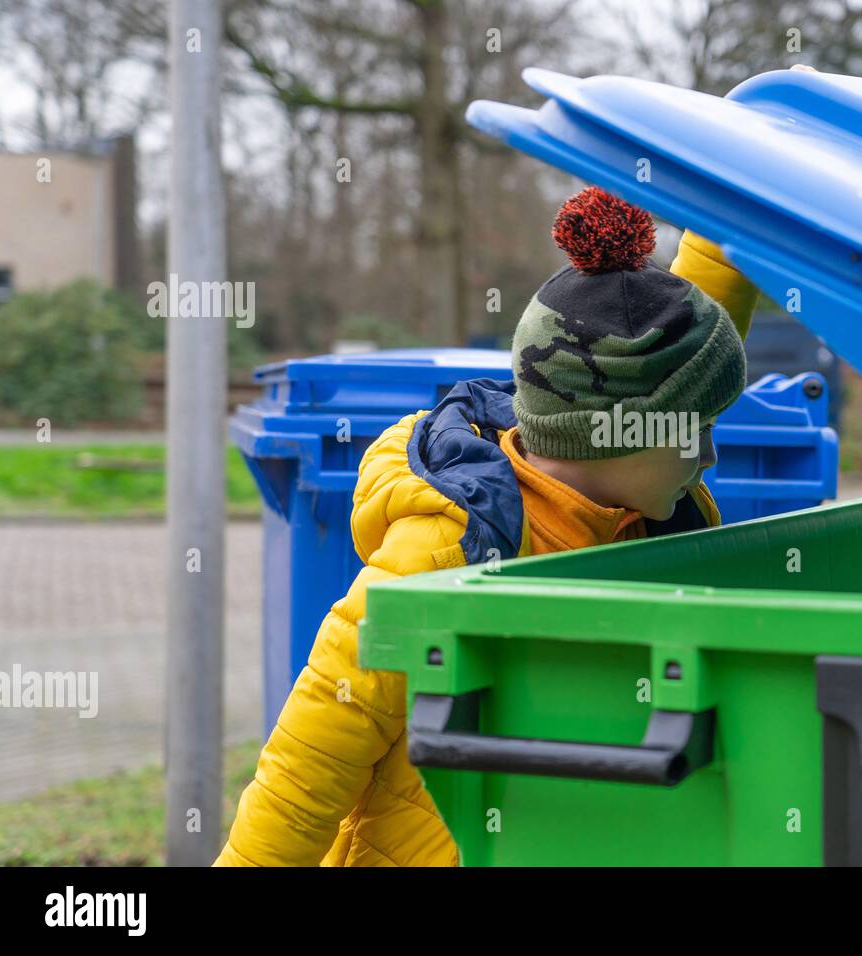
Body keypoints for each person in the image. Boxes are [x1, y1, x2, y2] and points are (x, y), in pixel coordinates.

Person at [214, 186, 757, 866]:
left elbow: (683, 349)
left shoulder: (631, 500)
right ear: (612, 436)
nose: (708, 455)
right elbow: (310, 758)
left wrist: (739, 209)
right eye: (695, 434)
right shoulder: (445, 551)